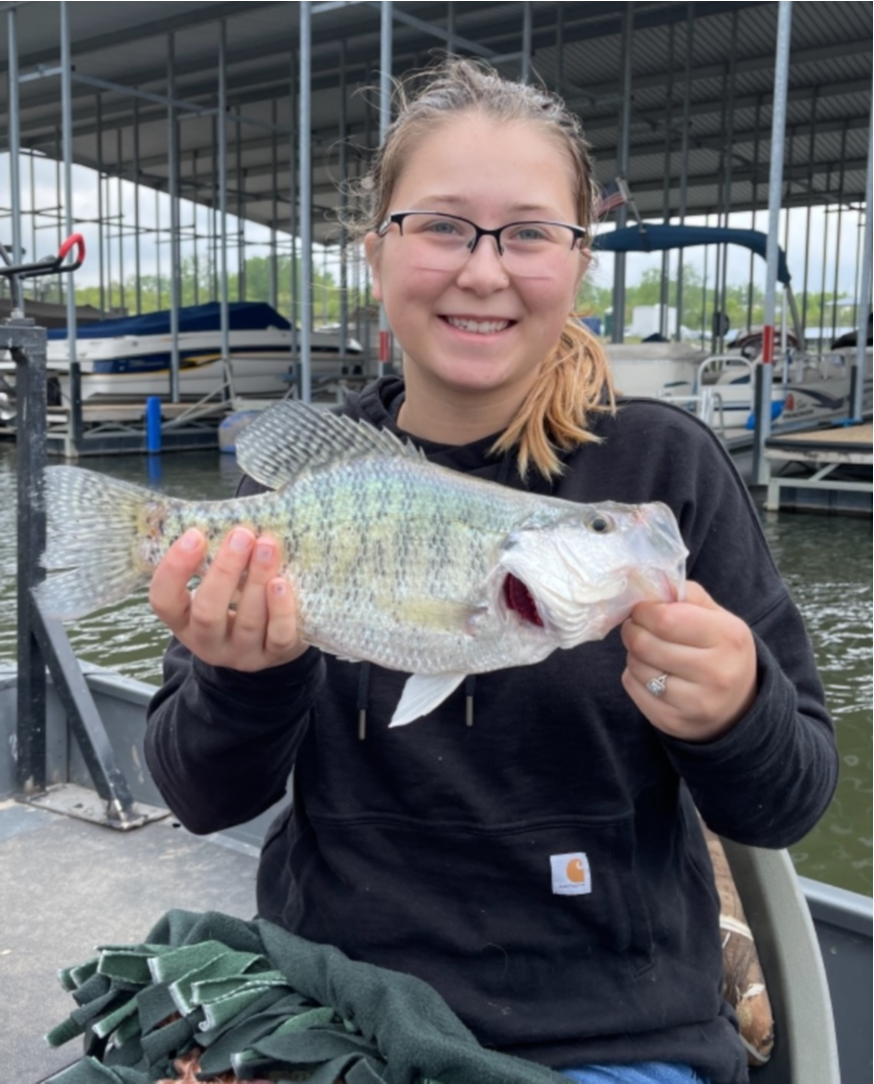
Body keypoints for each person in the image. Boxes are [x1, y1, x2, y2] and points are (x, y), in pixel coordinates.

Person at [144, 60, 838, 1084]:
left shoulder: (661, 474)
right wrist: (247, 675)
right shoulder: (317, 487)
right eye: (442, 227)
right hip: (332, 1000)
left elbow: (786, 801)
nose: (483, 271)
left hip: (613, 1031)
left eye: (527, 233)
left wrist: (735, 708)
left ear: (577, 259)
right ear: (375, 252)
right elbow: (198, 793)